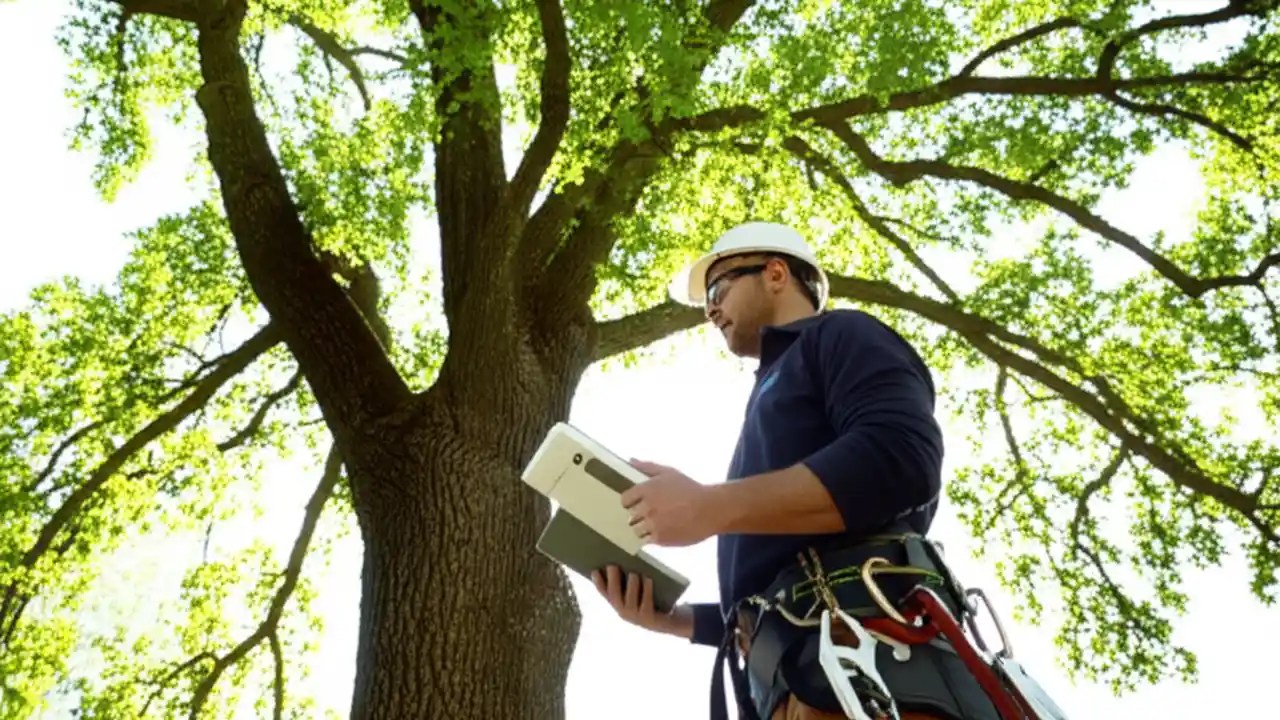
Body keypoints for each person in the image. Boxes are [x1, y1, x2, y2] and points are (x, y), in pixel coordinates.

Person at [591, 222, 1004, 720]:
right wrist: (675, 620)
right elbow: (775, 586)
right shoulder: (765, 396)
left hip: (868, 664)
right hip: (795, 682)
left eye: (718, 287)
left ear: (776, 272)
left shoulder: (841, 334)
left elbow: (900, 455)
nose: (710, 309)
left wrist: (709, 506)